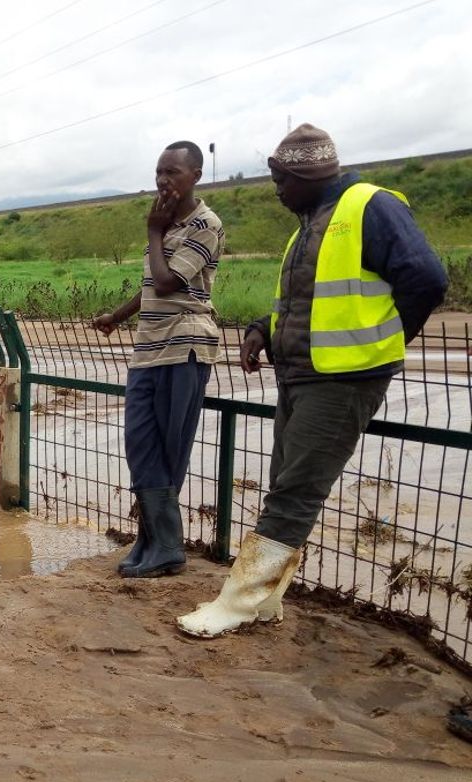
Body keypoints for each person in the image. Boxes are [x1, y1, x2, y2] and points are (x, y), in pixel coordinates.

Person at [177, 124, 448, 638]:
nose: (276, 190)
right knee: (286, 483)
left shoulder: (370, 207)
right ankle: (262, 602)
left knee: (295, 492)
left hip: (344, 379)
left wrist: (383, 342)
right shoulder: (311, 225)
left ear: (306, 174)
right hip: (305, 374)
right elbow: (306, 304)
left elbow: (428, 280)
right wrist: (263, 329)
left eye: (281, 180)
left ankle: (237, 602)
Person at [92, 141, 225, 578]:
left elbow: (169, 284)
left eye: (173, 172)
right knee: (140, 444)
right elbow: (151, 285)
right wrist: (118, 316)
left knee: (170, 448)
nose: (164, 181)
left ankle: (163, 544)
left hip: (185, 344)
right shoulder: (167, 226)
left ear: (196, 176)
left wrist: (152, 230)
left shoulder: (205, 224)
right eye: (159, 172)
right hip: (149, 347)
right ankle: (154, 539)